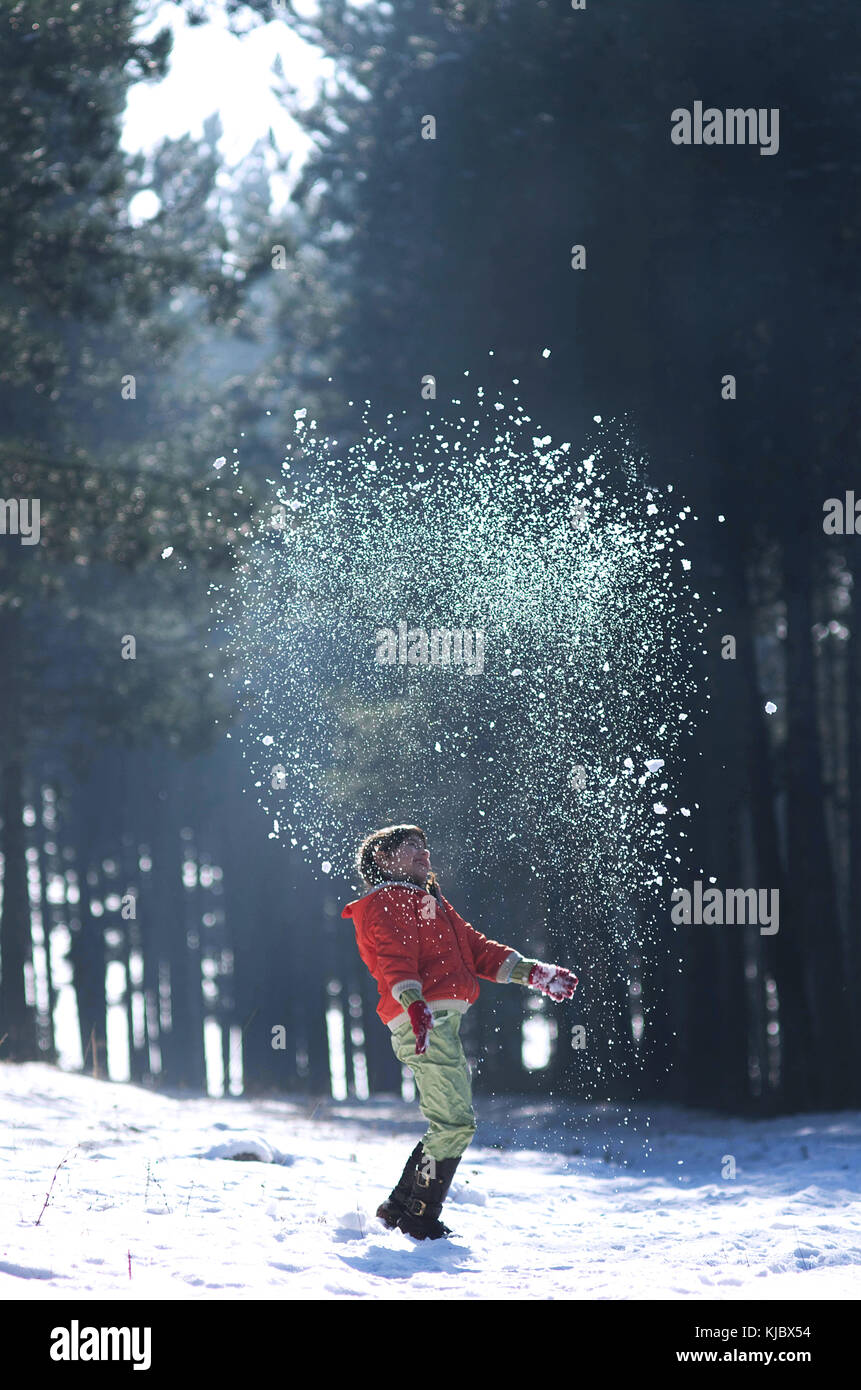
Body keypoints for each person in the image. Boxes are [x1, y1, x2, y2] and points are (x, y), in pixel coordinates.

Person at [340, 823, 578, 1241]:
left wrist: (532, 972)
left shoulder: (431, 901)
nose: (424, 854)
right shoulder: (387, 901)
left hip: (434, 1018)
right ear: (382, 859)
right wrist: (414, 1004)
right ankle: (420, 1216)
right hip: (421, 1019)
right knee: (454, 1123)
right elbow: (395, 958)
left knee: (447, 1121)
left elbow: (477, 949)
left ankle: (399, 1206)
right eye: (411, 847)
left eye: (426, 848)